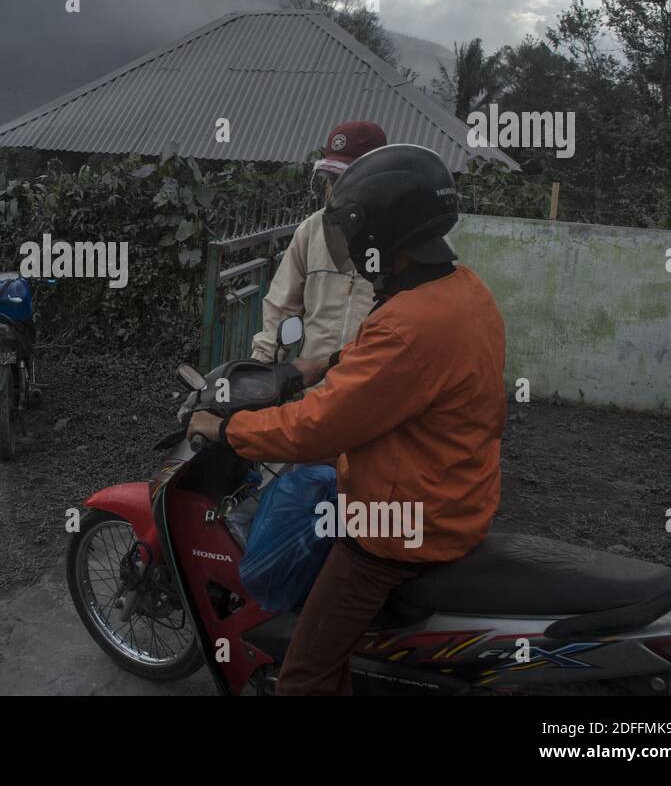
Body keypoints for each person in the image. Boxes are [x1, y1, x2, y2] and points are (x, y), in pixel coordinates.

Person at [190, 144, 506, 695]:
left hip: (396, 530)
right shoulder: (464, 291)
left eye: (354, 231)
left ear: (379, 231)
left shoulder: (408, 322)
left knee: (304, 677)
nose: (351, 245)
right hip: (458, 497)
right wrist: (322, 363)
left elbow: (315, 431)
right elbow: (399, 373)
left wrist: (224, 430)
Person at [250, 120, 387, 365]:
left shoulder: (402, 234)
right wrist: (260, 368)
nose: (337, 190)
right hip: (315, 390)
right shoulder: (312, 230)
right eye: (332, 180)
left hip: (373, 390)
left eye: (348, 179)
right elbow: (281, 307)